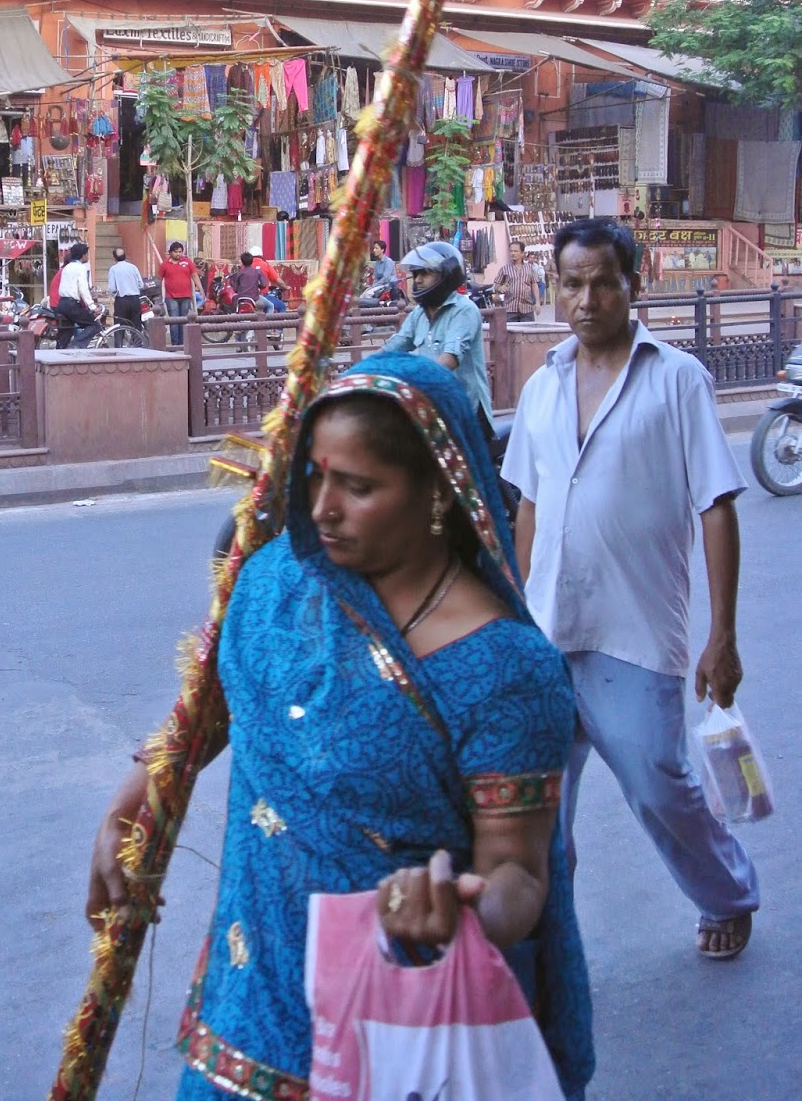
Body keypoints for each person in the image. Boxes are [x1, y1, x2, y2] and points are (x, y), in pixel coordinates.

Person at [86, 354, 594, 1100]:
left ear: (436, 494)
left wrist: (461, 912)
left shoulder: (507, 670)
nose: (321, 508)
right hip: (247, 1010)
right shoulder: (271, 581)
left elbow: (518, 874)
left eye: (357, 487)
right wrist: (131, 801)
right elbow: (215, 707)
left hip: (397, 1036)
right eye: (315, 476)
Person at [501, 217, 759, 962]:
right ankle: (547, 931)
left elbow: (715, 505)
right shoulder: (543, 382)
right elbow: (529, 505)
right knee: (539, 806)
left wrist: (722, 634)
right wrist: (518, 615)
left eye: (601, 283)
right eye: (570, 283)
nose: (584, 300)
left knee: (658, 784)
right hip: (548, 628)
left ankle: (726, 893)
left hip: (636, 633)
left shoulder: (676, 379)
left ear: (631, 288)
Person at [383, 242, 494, 436]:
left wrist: (411, 381)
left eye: (425, 273)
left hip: (467, 413)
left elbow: (449, 359)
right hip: (433, 409)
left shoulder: (464, 310)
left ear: (446, 275)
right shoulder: (419, 313)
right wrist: (359, 372)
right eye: (416, 274)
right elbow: (395, 345)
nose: (417, 280)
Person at [55, 242, 101, 346]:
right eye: (87, 254)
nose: (87, 257)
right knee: (94, 325)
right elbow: (83, 289)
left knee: (66, 333)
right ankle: (76, 346)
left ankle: (60, 355)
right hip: (71, 305)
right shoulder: (80, 268)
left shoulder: (66, 267)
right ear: (83, 255)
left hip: (62, 304)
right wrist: (92, 306)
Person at [159, 240, 202, 345]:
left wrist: (200, 288)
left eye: (180, 252)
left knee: (184, 321)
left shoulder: (187, 262)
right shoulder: (165, 264)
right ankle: (175, 344)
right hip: (171, 297)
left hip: (186, 296)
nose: (178, 254)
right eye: (176, 252)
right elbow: (159, 279)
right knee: (174, 321)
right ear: (170, 252)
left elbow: (194, 275)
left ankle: (183, 343)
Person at [497, 238, 540, 323]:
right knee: (510, 335)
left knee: (527, 335)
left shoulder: (530, 268)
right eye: (511, 251)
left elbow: (534, 285)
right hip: (510, 309)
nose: (513, 253)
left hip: (527, 309)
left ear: (522, 253)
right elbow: (496, 285)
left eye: (516, 251)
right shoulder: (504, 269)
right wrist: (500, 288)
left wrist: (537, 302)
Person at [107, 246, 144, 331]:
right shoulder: (133, 267)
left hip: (121, 300)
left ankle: (119, 344)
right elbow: (141, 284)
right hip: (135, 299)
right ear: (125, 256)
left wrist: (115, 293)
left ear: (114, 258)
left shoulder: (113, 269)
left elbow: (112, 288)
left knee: (119, 326)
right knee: (136, 325)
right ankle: (138, 343)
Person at [247, 246, 285, 313]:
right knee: (281, 306)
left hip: (247, 297)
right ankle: (269, 323)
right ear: (261, 255)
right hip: (261, 296)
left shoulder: (245, 266)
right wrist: (286, 287)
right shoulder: (266, 265)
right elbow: (278, 281)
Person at [366, 237, 405, 302]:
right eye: (374, 248)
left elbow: (386, 278)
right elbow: (376, 278)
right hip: (379, 285)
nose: (374, 250)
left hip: (388, 285)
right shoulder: (377, 263)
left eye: (376, 248)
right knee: (366, 293)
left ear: (382, 250)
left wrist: (374, 286)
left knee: (369, 294)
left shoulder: (389, 261)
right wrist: (372, 286)